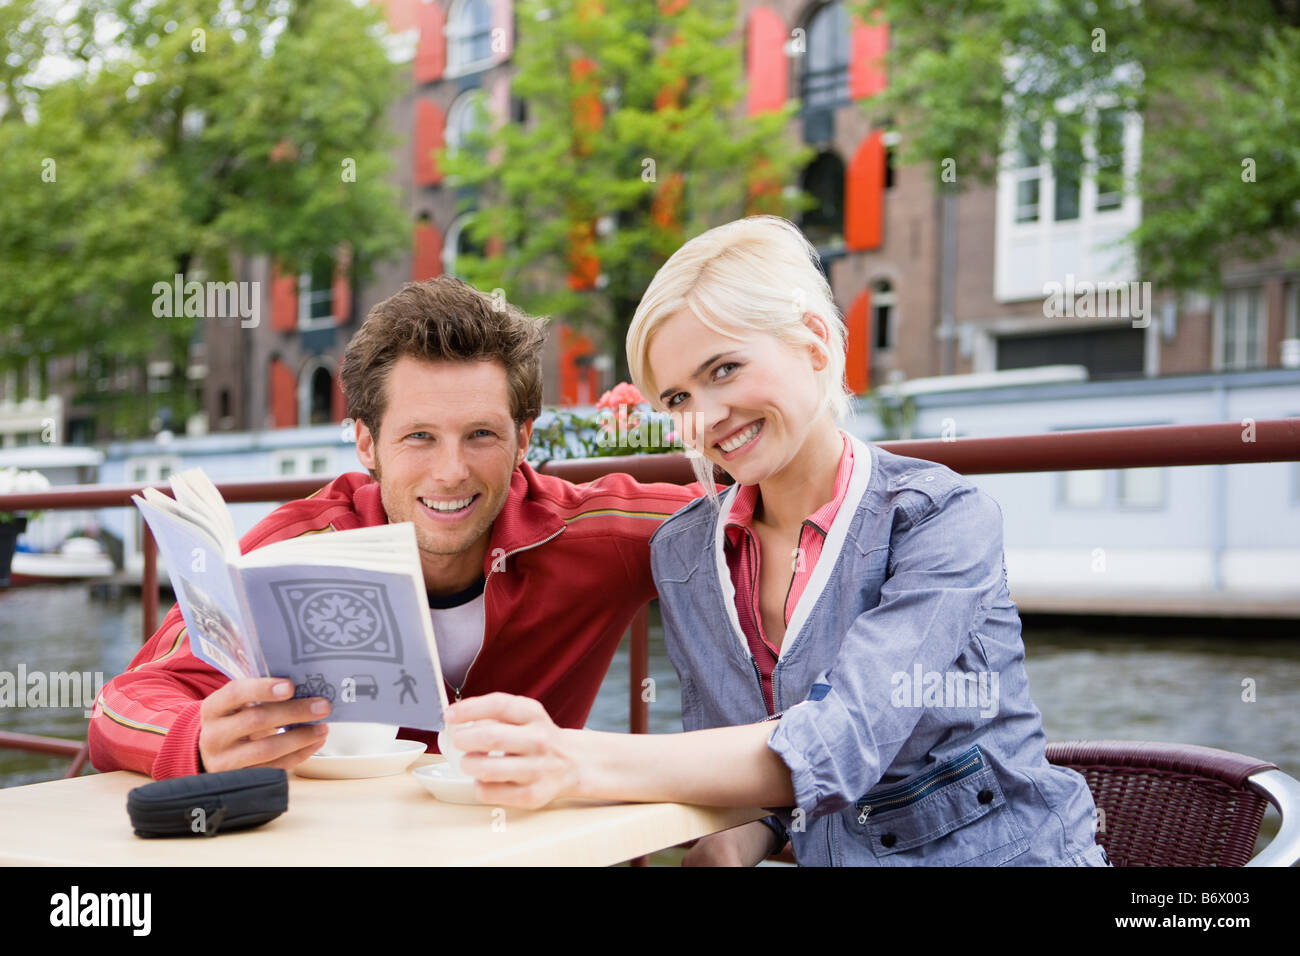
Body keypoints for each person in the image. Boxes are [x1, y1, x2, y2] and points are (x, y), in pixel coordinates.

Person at [441, 216, 1109, 867]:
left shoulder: (942, 519)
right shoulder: (686, 551)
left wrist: (573, 758)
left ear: (815, 343)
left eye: (725, 369)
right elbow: (745, 770)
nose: (704, 418)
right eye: (676, 398)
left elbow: (841, 741)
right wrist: (736, 841)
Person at [87, 276, 711, 779]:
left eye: (481, 435)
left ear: (524, 437)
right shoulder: (293, 546)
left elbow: (753, 510)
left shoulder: (598, 530)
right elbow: (124, 703)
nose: (450, 471)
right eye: (418, 436)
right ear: (366, 442)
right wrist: (199, 741)